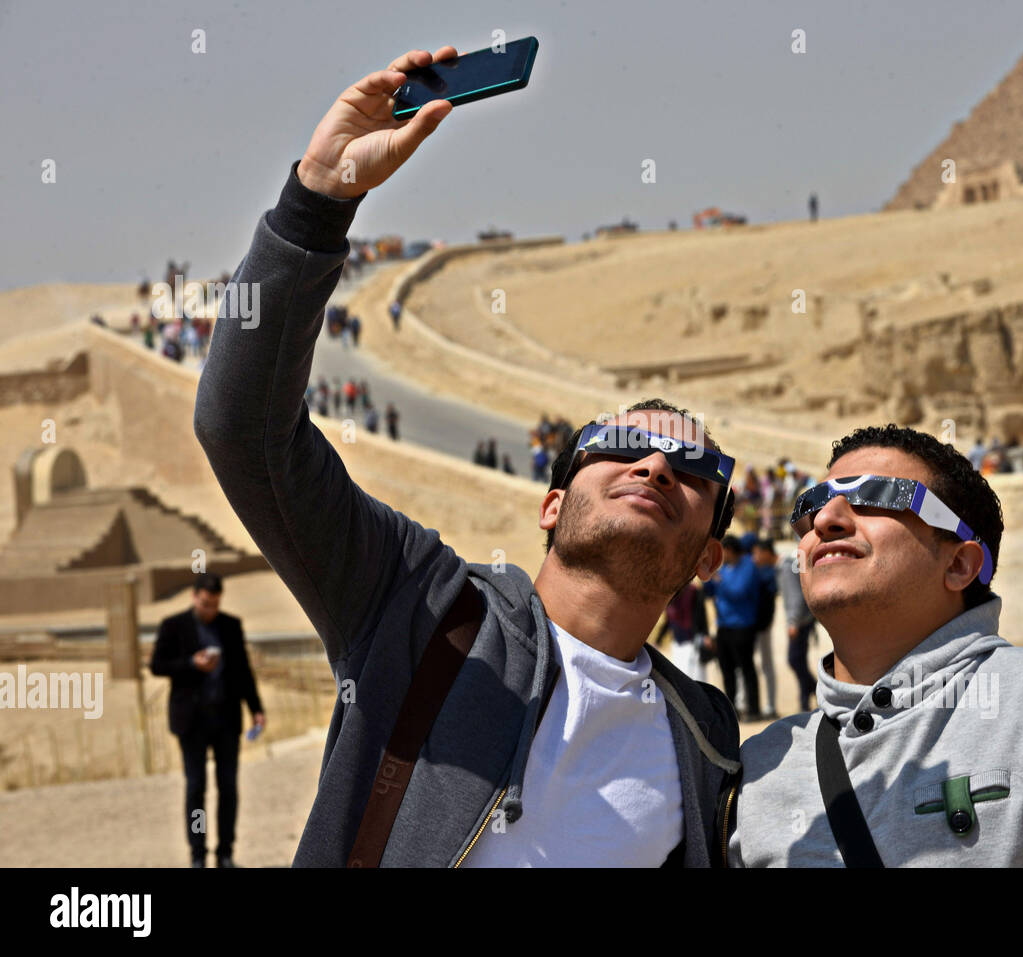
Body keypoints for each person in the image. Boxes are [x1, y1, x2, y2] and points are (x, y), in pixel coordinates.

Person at [196, 47, 745, 867]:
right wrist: (317, 200)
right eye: (624, 444)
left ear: (710, 557)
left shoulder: (704, 738)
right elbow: (243, 429)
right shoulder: (418, 605)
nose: (657, 466)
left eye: (693, 468)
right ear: (551, 504)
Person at [727, 424, 1023, 866]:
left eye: (877, 496)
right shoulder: (764, 764)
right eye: (812, 503)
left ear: (960, 564)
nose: (825, 519)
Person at [149, 573, 265, 868]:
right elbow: (157, 665)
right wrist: (191, 664)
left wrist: (256, 708)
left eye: (214, 604)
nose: (209, 609)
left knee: (228, 788)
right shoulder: (174, 626)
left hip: (226, 720)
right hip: (192, 722)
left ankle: (225, 854)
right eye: (205, 604)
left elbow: (242, 670)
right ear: (194, 596)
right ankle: (198, 856)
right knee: (196, 788)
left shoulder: (231, 626)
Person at [703, 535, 765, 722]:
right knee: (726, 670)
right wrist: (707, 579)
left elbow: (739, 592)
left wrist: (719, 581)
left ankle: (754, 710)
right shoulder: (725, 569)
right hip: (724, 627)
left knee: (746, 669)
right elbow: (710, 593)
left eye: (724, 550)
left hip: (743, 626)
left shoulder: (748, 566)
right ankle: (732, 711)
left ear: (731, 550)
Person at [776, 547, 817, 711]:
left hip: (800, 623)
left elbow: (796, 596)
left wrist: (793, 622)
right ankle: (805, 699)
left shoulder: (786, 567)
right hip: (803, 621)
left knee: (795, 660)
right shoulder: (788, 564)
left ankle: (814, 692)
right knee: (799, 661)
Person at [751, 538, 780, 718]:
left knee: (767, 666)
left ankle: (770, 705)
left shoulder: (769, 573)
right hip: (749, 626)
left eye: (758, 553)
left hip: (763, 626)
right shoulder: (755, 572)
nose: (756, 557)